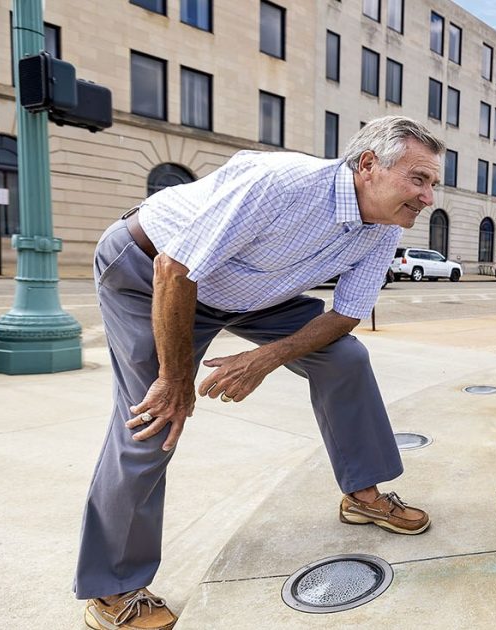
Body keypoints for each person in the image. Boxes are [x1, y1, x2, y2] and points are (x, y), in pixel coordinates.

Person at [74, 116, 443, 630]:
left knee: (347, 358)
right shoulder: (281, 184)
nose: (428, 197)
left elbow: (346, 314)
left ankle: (363, 496)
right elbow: (175, 270)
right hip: (150, 272)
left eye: (433, 184)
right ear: (367, 166)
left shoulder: (383, 227)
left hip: (249, 294)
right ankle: (112, 586)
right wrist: (177, 380)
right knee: (153, 418)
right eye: (418, 179)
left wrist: (267, 357)